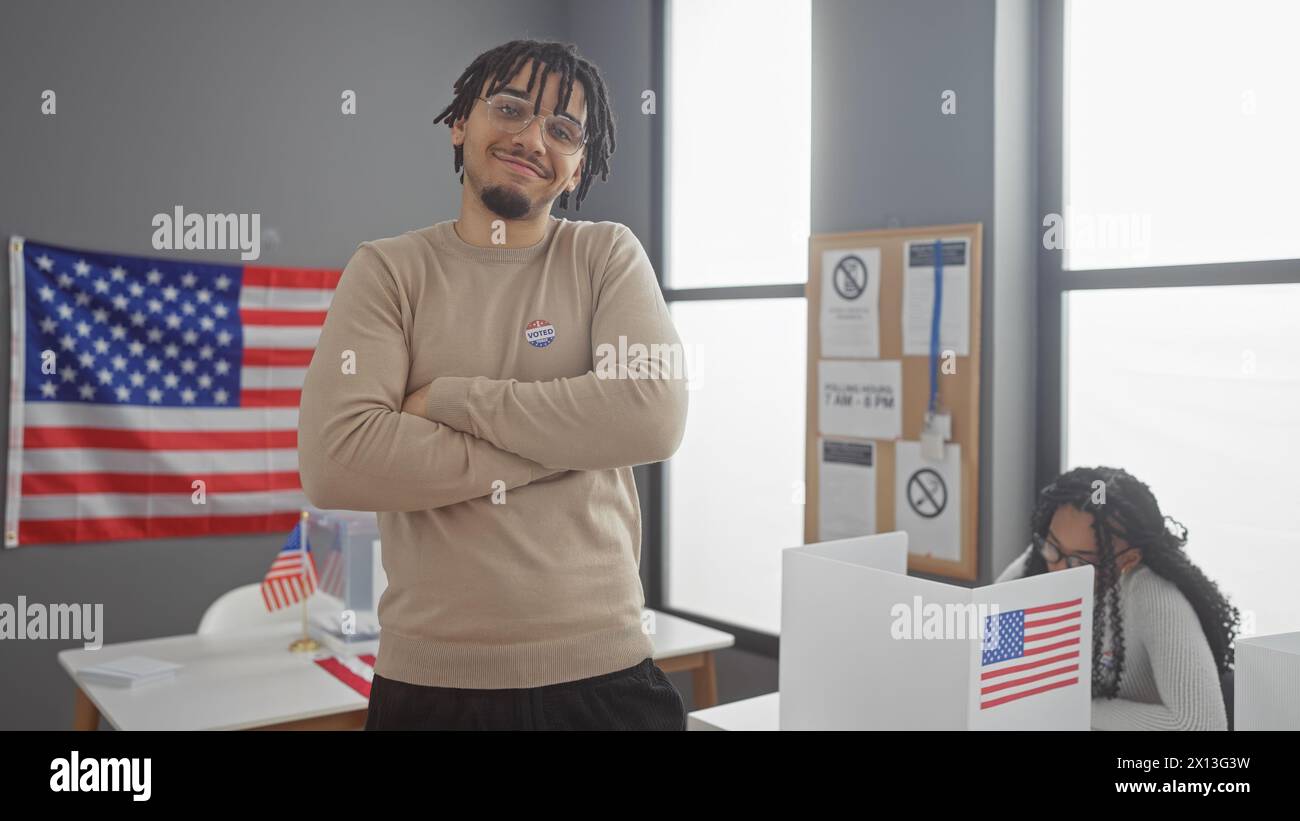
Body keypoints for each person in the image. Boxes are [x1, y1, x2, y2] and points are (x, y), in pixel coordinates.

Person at [297, 39, 690, 730]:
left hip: (605, 676)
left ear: (575, 168)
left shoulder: (606, 255)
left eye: (563, 131)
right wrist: (577, 438)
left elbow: (650, 416)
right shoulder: (388, 271)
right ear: (460, 122)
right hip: (432, 686)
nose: (533, 138)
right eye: (511, 108)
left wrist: (447, 398)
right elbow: (337, 462)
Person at [995, 467, 1238, 730]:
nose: (1058, 568)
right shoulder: (1042, 559)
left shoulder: (1154, 596)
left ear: (1129, 559)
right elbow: (987, 651)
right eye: (1052, 546)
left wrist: (1067, 706)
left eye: (1079, 561)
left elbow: (1200, 725)